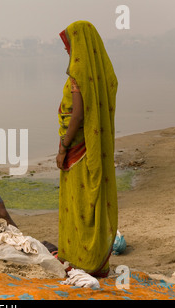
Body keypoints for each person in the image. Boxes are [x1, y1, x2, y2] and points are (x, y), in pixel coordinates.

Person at [55, 21, 118, 277]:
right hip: (93, 148)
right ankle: (95, 260)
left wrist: (62, 148)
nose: (67, 50)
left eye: (68, 44)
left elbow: (78, 115)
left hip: (77, 150)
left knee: (79, 205)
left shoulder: (78, 74)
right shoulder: (103, 72)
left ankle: (83, 259)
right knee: (90, 204)